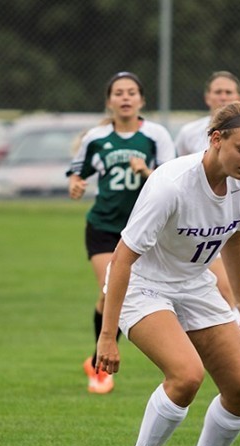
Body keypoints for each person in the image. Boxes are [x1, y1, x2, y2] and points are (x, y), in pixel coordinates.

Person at [98, 101, 240, 446]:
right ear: (216, 140)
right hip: (144, 285)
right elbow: (122, 257)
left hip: (195, 284)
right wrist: (108, 337)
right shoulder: (171, 183)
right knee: (186, 376)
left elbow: (233, 235)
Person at [68, 71, 175, 394]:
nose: (125, 97)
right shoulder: (96, 137)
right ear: (109, 100)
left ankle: (100, 359)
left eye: (132, 92)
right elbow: (77, 171)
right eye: (119, 92)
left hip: (144, 229)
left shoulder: (156, 135)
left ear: (141, 100)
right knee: (108, 290)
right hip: (103, 226)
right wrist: (75, 183)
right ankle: (101, 365)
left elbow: (171, 178)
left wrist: (146, 171)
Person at [175, 71, 240, 371]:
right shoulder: (189, 133)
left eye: (229, 92)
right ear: (208, 97)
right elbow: (180, 169)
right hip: (203, 222)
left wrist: (239, 177)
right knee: (223, 288)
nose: (223, 97)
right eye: (218, 92)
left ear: (239, 97)